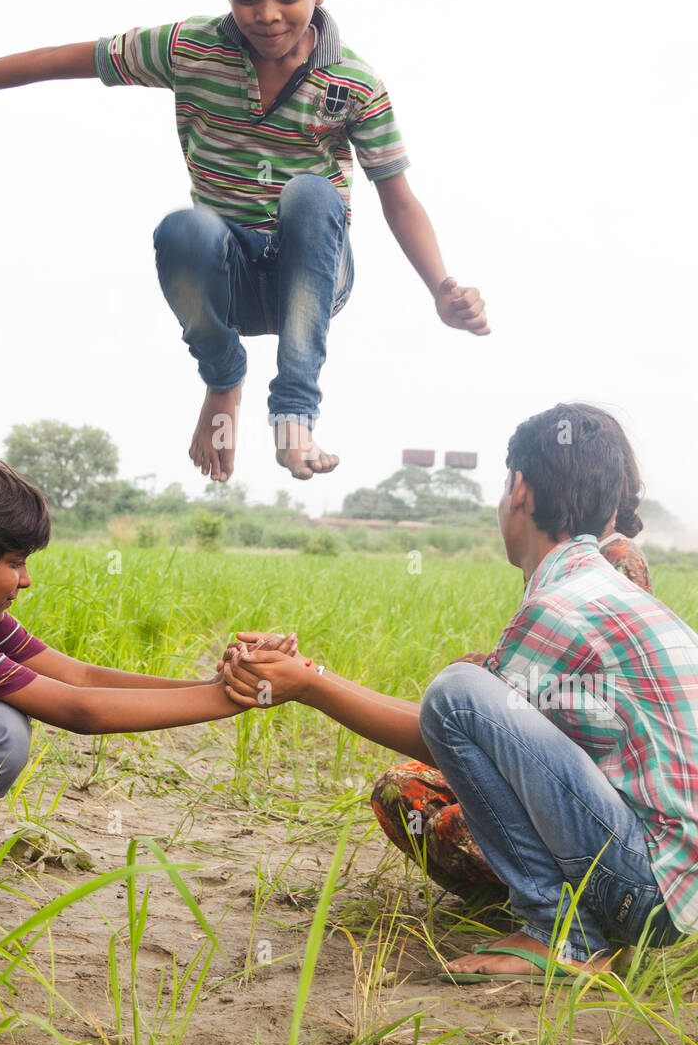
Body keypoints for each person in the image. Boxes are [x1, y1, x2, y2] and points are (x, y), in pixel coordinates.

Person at [0, 0, 488, 485]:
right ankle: (223, 376)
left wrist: (440, 286)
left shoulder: (352, 82)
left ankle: (294, 416)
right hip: (225, 277)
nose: (267, 15)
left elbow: (400, 200)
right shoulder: (191, 48)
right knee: (183, 228)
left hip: (311, 278)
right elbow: (65, 60)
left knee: (310, 193)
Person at [222, 404, 698, 981]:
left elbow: (445, 725)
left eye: (504, 486)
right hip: (668, 885)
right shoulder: (593, 585)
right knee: (465, 694)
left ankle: (563, 935)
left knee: (458, 690)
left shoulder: (560, 606)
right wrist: (311, 676)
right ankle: (582, 931)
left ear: (519, 489)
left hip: (647, 887)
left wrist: (310, 683)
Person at [0, 454, 290, 948]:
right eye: (14, 563)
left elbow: (80, 676)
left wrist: (218, 685)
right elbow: (79, 710)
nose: (25, 579)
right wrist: (235, 701)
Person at [371, 402, 653, 900]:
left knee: (413, 777)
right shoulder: (564, 565)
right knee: (410, 778)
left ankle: (549, 902)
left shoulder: (606, 565)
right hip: (589, 796)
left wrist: (313, 684)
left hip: (601, 806)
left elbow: (565, 734)